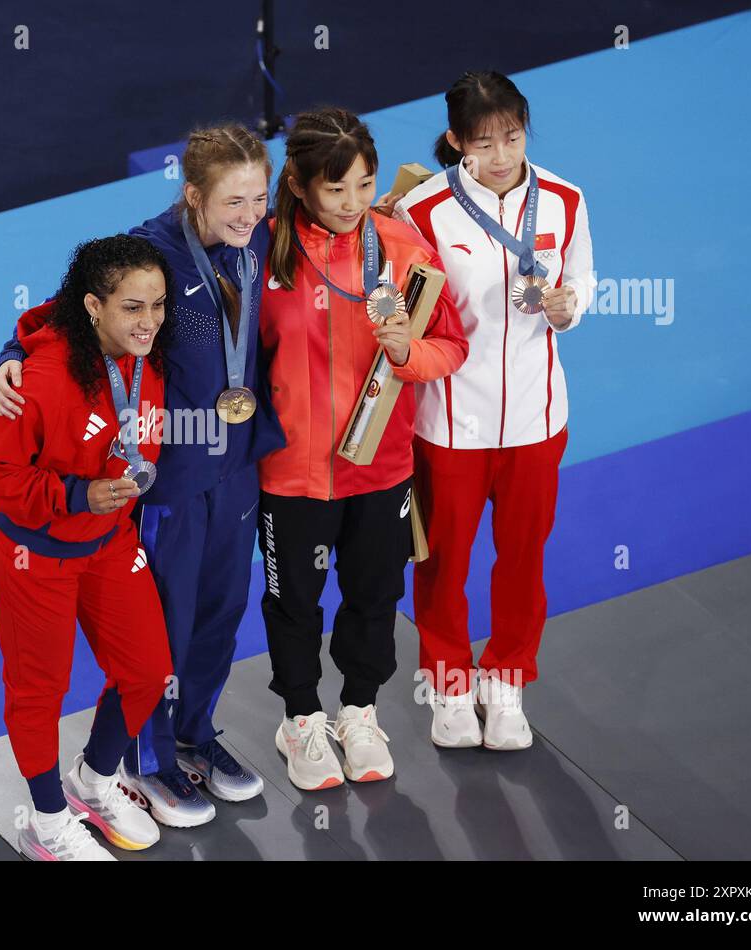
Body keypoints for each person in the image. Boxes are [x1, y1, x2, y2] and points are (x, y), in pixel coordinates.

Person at [0, 125, 284, 827]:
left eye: (259, 198)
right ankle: (146, 761)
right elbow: (69, 307)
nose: (248, 214)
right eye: (232, 200)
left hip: (238, 463)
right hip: (171, 474)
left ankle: (196, 735)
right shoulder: (153, 249)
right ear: (192, 196)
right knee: (167, 625)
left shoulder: (260, 239)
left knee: (221, 613)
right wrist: (8, 354)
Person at [259, 108, 467, 790]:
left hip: (381, 470)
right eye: (335, 190)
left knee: (375, 595)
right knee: (295, 603)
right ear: (298, 184)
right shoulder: (261, 251)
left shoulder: (401, 246)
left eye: (364, 185)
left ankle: (357, 709)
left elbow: (452, 347)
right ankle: (299, 719)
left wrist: (409, 352)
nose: (351, 204)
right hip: (290, 474)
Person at [392, 70, 596, 750]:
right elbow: (405, 311)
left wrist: (571, 307)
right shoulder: (421, 213)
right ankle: (448, 686)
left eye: (512, 136)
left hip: (538, 420)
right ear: (456, 142)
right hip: (449, 422)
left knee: (522, 559)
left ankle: (506, 681)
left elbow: (581, 278)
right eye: (484, 143)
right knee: (444, 562)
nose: (503, 155)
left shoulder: (564, 198)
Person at [0, 235, 175, 861]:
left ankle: (93, 780)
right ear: (92, 306)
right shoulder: (43, 379)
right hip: (32, 555)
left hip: (110, 543)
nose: (149, 322)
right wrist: (76, 496)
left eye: (157, 305)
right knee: (40, 690)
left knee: (146, 671)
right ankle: (47, 821)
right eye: (132, 308)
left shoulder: (150, 355)